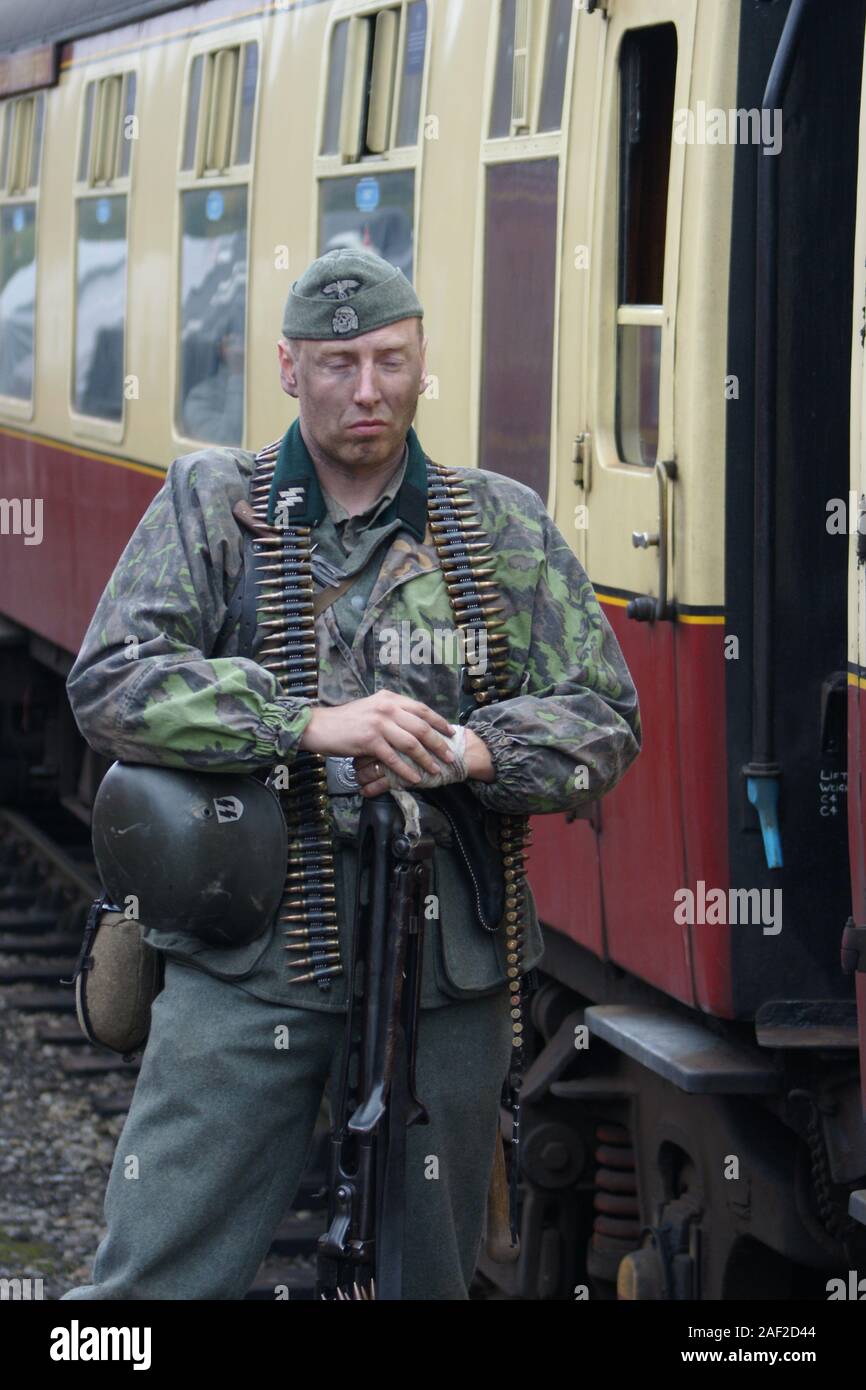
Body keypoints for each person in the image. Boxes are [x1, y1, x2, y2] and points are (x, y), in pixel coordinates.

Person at [61, 248, 641, 1300]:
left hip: (444, 963)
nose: (365, 390)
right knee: (152, 1278)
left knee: (425, 1273)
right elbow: (110, 681)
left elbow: (604, 717)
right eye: (336, 363)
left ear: (423, 366)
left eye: (388, 360)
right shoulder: (213, 505)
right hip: (248, 951)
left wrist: (473, 751)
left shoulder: (496, 526)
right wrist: (301, 724)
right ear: (287, 367)